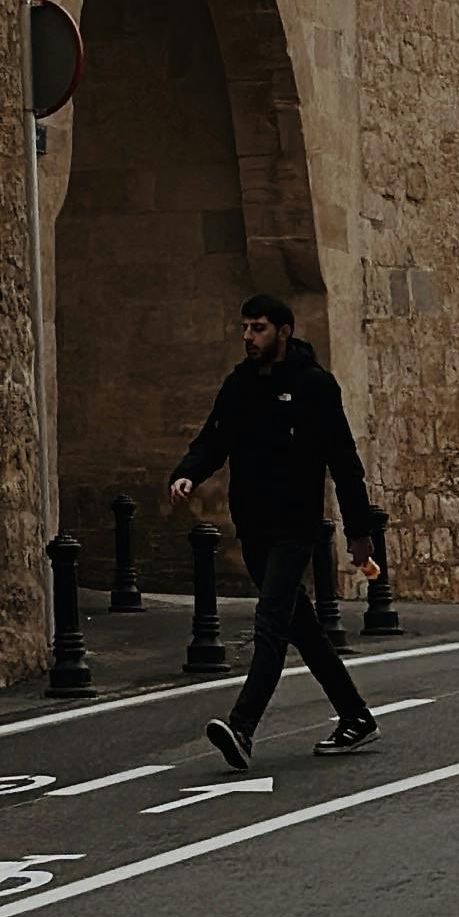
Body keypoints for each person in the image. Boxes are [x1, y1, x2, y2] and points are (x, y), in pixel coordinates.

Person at [168, 296, 383, 769]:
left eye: (259, 328)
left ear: (283, 332)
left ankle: (242, 727)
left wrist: (359, 532)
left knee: (270, 625)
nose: (249, 337)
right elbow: (213, 439)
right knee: (302, 630)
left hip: (294, 527)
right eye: (245, 327)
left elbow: (345, 465)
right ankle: (355, 715)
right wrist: (187, 473)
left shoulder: (315, 387)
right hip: (255, 528)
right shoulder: (239, 385)